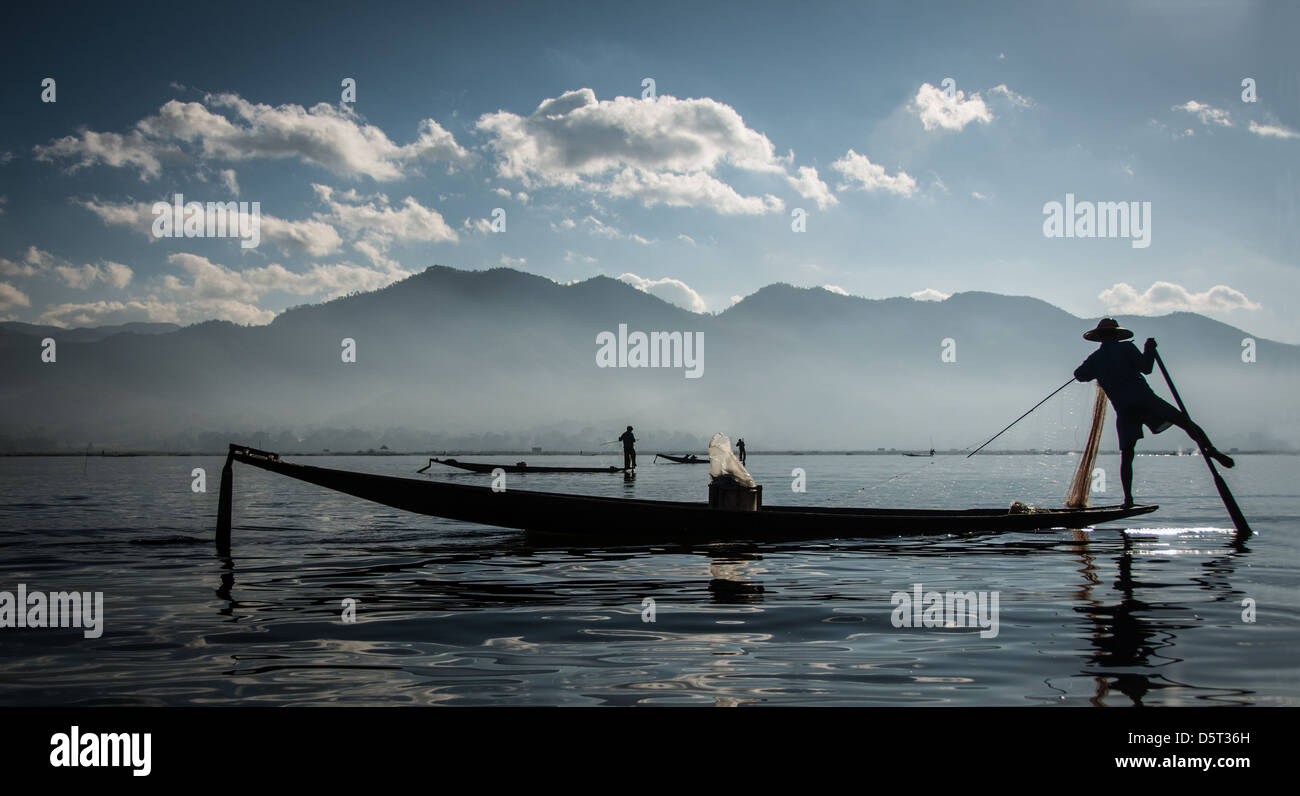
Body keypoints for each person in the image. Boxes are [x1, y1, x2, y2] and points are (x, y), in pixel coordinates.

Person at [1073, 318, 1233, 507]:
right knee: (1186, 423)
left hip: (1125, 410)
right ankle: (1211, 450)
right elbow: (1146, 368)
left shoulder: (1096, 358)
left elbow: (1079, 374)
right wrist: (1149, 349)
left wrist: (1096, 367)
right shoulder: (1126, 348)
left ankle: (1128, 499)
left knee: (1127, 455)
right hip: (1146, 400)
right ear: (1116, 335)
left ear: (1100, 338)